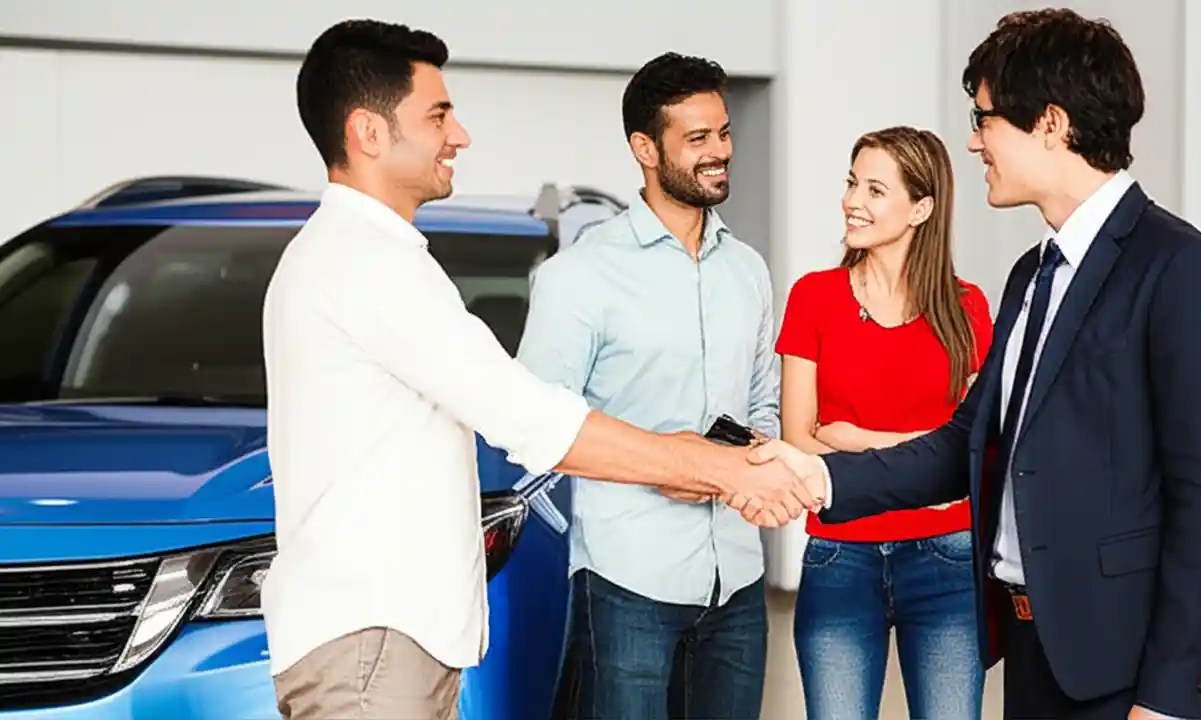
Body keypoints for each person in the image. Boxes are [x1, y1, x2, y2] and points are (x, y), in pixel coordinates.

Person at [261, 21, 819, 720]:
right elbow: (527, 416)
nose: (459, 135)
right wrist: (714, 467)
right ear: (369, 133)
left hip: (391, 640)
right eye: (438, 115)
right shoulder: (364, 266)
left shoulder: (371, 260)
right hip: (378, 640)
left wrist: (726, 466)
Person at [746, 9, 1201, 720]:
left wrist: (1170, 697)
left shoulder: (1181, 270)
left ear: (1050, 124)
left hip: (1121, 668)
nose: (973, 139)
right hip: (1029, 643)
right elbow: (969, 444)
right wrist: (821, 476)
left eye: (984, 119)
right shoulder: (1032, 274)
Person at [517, 52, 775, 720]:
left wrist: (742, 461)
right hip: (628, 583)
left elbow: (764, 405)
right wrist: (663, 464)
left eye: (722, 133)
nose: (718, 152)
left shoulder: (748, 271)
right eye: (697, 139)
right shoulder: (579, 277)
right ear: (645, 148)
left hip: (739, 582)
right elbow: (535, 426)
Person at [776, 126, 992, 719]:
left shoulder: (967, 306)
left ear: (921, 207)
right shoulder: (814, 297)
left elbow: (977, 447)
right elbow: (799, 441)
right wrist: (928, 449)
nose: (852, 201)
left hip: (949, 555)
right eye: (852, 183)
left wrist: (855, 440)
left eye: (875, 189)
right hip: (840, 555)